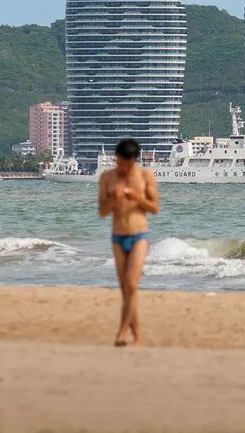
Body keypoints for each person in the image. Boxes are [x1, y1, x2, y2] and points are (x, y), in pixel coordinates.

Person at [98, 138, 159, 347]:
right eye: (119, 162)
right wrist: (114, 200)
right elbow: (102, 212)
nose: (122, 167)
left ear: (134, 160)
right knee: (126, 290)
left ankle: (122, 332)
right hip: (118, 236)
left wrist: (136, 197)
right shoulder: (107, 178)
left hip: (139, 235)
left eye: (126, 164)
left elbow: (154, 208)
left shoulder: (145, 176)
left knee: (132, 284)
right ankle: (138, 335)